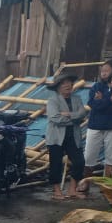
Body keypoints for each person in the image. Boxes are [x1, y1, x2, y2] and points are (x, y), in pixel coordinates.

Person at [45, 72, 88, 200]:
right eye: (63, 83)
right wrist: (74, 118)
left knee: (79, 162)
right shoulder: (53, 100)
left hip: (73, 135)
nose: (67, 85)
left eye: (69, 82)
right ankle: (57, 191)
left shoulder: (77, 99)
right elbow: (55, 118)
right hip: (56, 137)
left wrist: (68, 114)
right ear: (58, 87)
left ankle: (72, 189)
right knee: (56, 163)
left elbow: (82, 114)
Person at [85, 59, 112, 179]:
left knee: (111, 158)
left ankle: (107, 186)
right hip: (95, 125)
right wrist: (109, 100)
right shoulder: (97, 86)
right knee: (89, 156)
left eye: (107, 71)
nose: (104, 73)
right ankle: (85, 182)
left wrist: (101, 100)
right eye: (102, 71)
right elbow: (92, 104)